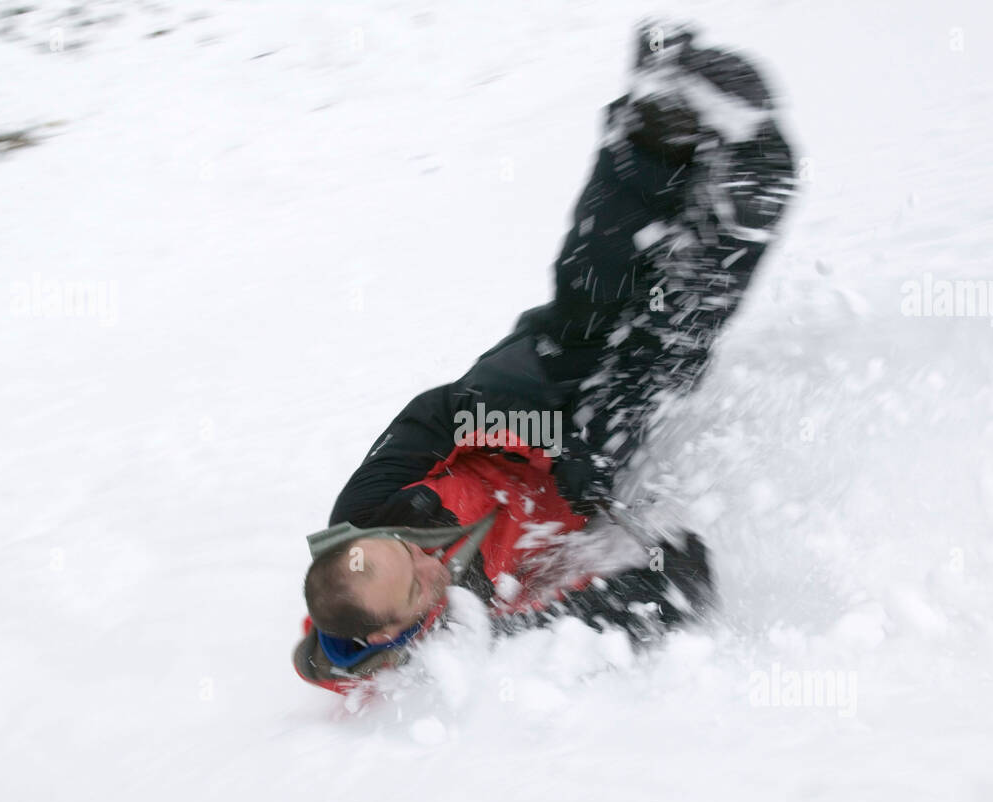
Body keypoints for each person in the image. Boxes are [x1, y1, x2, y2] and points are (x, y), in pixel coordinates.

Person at [294, 19, 797, 694]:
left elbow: (433, 417)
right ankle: (741, 206)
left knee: (592, 288)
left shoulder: (369, 509)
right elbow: (599, 616)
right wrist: (667, 577)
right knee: (657, 351)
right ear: (390, 633)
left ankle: (654, 128)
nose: (427, 561)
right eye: (417, 583)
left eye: (406, 551)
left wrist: (545, 437)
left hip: (519, 394)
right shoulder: (461, 643)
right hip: (589, 477)